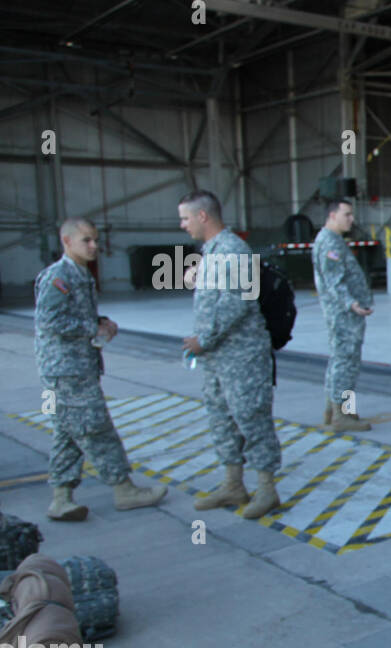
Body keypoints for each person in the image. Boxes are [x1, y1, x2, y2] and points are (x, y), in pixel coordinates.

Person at [34, 218, 167, 520]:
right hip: (67, 370)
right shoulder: (59, 277)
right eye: (87, 241)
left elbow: (73, 314)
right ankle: (124, 489)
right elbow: (49, 322)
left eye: (95, 240)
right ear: (67, 241)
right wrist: (92, 327)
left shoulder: (81, 274)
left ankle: (61, 497)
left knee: (68, 433)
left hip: (77, 366)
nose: (95, 246)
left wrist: (99, 322)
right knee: (96, 428)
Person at [178, 189, 282, 519]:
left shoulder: (234, 250)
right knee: (221, 419)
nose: (183, 225)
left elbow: (237, 303)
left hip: (242, 357)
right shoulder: (210, 252)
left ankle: (267, 489)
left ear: (202, 216)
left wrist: (203, 339)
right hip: (216, 357)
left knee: (252, 418)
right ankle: (233, 484)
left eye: (185, 218)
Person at [312, 199, 374, 432]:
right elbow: (334, 282)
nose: (352, 219)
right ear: (332, 215)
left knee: (339, 362)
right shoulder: (330, 243)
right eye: (346, 214)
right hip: (344, 315)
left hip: (343, 314)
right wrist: (353, 304)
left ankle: (334, 410)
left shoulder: (332, 240)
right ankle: (343, 413)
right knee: (346, 364)